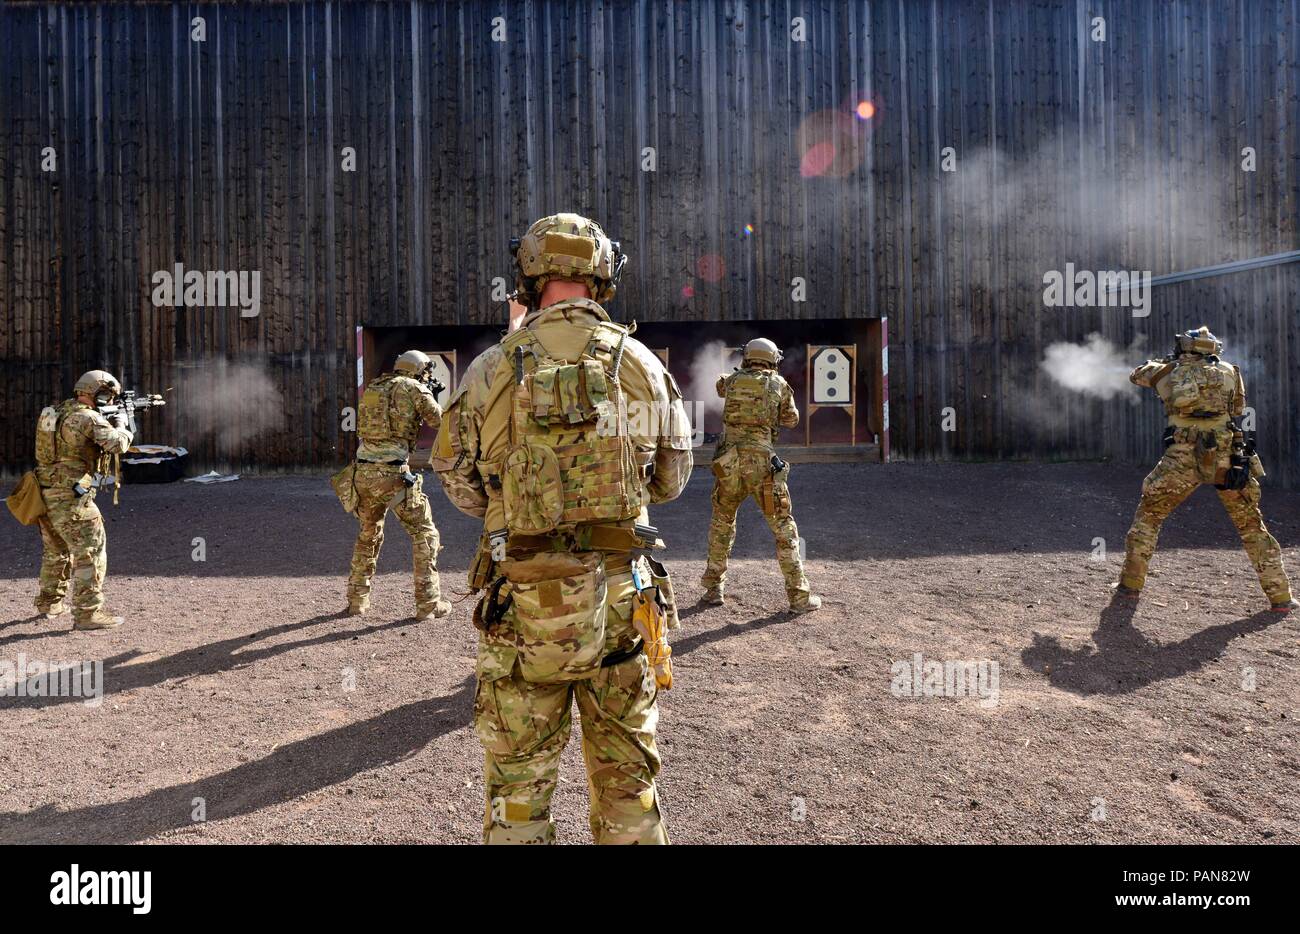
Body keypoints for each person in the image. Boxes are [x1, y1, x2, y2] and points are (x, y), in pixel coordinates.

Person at [432, 212, 693, 844]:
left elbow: (454, 475)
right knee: (628, 783)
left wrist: (510, 510)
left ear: (525, 275)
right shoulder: (639, 364)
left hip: (523, 601)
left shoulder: (491, 368)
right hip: (620, 603)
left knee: (518, 789)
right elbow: (672, 478)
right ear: (603, 275)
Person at [1117, 326, 1296, 613]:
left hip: (1182, 457)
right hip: (1227, 454)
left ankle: (1130, 586)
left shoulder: (1167, 371)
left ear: (1185, 346)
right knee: (1251, 525)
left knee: (1149, 518)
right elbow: (1238, 408)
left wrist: (1165, 364)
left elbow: (1136, 375)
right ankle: (1281, 597)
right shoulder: (1229, 371)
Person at [699, 338, 821, 613]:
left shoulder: (731, 381)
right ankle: (799, 598)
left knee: (722, 523)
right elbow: (791, 420)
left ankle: (713, 590)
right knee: (783, 528)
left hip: (729, 464)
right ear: (771, 359)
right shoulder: (778, 385)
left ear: (748, 357)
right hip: (762, 466)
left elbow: (720, 385)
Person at [344, 350, 450, 620]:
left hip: (363, 472)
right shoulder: (415, 388)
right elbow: (440, 421)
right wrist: (432, 397)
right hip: (393, 474)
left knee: (368, 534)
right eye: (426, 372)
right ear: (418, 370)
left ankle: (357, 600)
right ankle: (428, 604)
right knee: (425, 535)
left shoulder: (374, 387)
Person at [33, 370, 134, 631]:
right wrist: (124, 424)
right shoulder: (88, 418)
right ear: (98, 394)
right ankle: (88, 613)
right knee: (90, 551)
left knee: (55, 551)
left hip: (43, 491)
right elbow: (116, 445)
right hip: (72, 496)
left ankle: (49, 604)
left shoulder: (54, 412)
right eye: (108, 396)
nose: (110, 402)